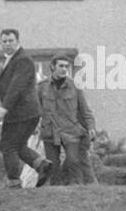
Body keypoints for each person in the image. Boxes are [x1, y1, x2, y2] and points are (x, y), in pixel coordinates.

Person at [0, 29, 53, 188]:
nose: (7, 44)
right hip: (24, 113)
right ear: (0, 43)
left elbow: (16, 86)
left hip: (21, 112)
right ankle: (42, 165)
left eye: (10, 41)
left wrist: (4, 108)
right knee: (17, 145)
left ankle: (14, 182)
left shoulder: (22, 60)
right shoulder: (13, 59)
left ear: (18, 42)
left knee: (8, 146)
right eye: (4, 41)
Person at [37, 52, 95, 185]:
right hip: (50, 131)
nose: (64, 69)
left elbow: (85, 109)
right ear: (52, 67)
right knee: (53, 165)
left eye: (66, 66)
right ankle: (56, 191)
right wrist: (34, 127)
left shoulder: (75, 86)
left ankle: (78, 187)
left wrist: (91, 127)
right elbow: (36, 110)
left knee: (73, 160)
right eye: (61, 66)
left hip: (71, 130)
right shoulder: (42, 87)